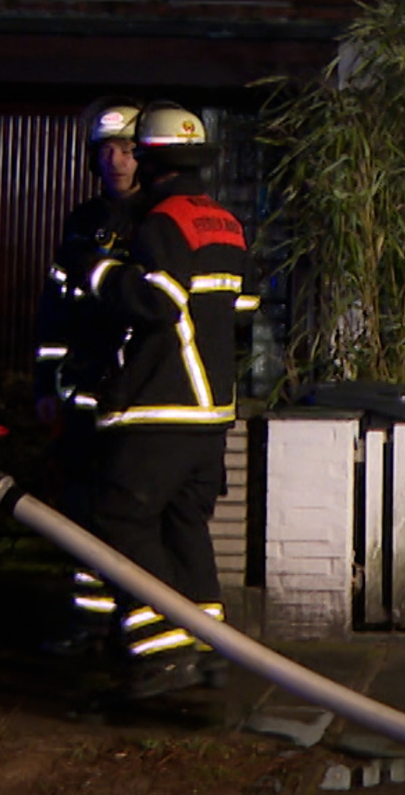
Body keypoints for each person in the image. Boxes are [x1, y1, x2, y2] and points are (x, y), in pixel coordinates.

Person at [65, 101, 258, 699]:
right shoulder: (224, 223)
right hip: (211, 409)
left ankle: (164, 649)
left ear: (150, 161)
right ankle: (208, 647)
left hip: (161, 405)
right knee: (183, 526)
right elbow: (240, 311)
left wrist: (96, 271)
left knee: (118, 517)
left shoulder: (162, 222)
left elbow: (155, 301)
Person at [34, 97, 148, 655]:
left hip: (135, 391)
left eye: (127, 149)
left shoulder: (156, 220)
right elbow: (55, 310)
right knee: (80, 505)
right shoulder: (83, 221)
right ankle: (88, 621)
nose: (116, 161)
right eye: (107, 150)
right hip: (81, 386)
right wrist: (45, 385)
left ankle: (131, 622)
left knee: (122, 506)